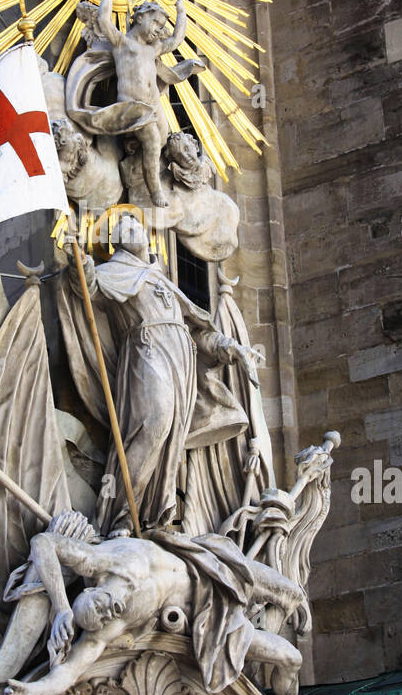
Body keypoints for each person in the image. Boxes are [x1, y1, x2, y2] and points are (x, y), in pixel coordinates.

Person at [59, 212, 258, 536]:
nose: (134, 228)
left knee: (168, 441)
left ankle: (151, 518)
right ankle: (118, 516)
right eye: (124, 226)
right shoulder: (115, 271)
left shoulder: (161, 280)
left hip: (181, 363)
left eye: (136, 224)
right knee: (153, 425)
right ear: (116, 241)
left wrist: (228, 346)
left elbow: (196, 329)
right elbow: (89, 288)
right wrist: (81, 262)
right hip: (147, 353)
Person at [0, 510, 305, 695]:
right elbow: (70, 671)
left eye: (100, 605)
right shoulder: (111, 627)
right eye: (104, 618)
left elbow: (44, 543)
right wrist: (31, 692)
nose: (108, 612)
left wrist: (62, 607)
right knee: (290, 657)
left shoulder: (104, 558)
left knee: (288, 592)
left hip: (206, 562)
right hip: (210, 617)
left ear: (94, 588)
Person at [67, 0, 205, 207]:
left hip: (152, 108)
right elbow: (103, 21)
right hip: (131, 108)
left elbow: (176, 39)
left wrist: (180, 11)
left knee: (161, 140)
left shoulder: (153, 49)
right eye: (156, 23)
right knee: (152, 140)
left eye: (162, 26)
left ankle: (132, 157)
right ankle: (156, 192)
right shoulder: (123, 43)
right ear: (140, 18)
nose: (158, 30)